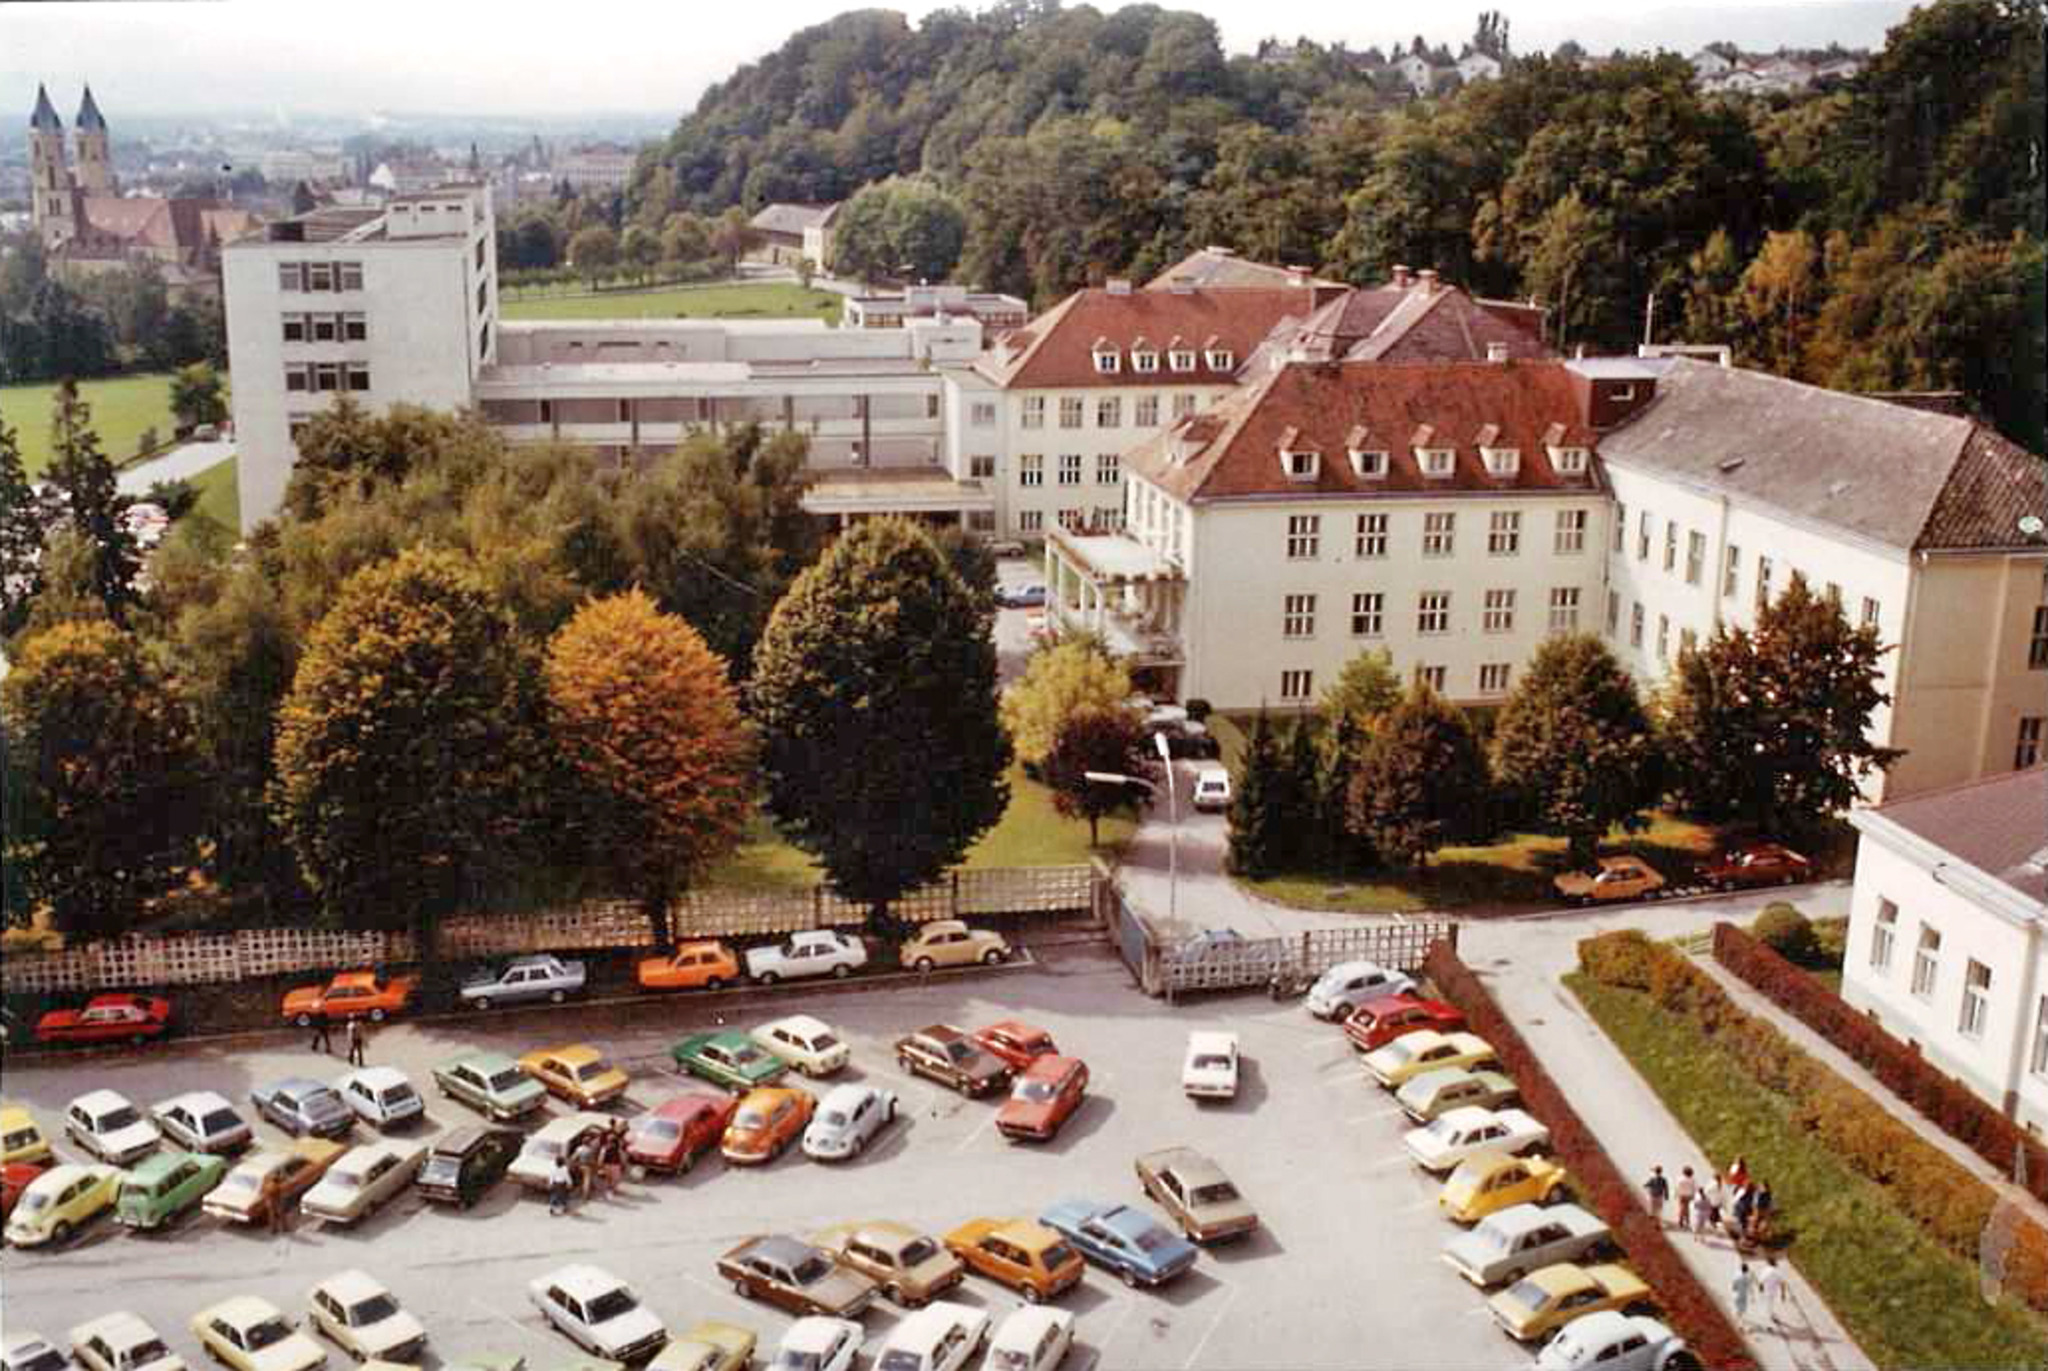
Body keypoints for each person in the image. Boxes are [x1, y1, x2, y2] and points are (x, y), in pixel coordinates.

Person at [1759, 1256, 1787, 1324]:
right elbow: (1782, 1283)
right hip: (1773, 1291)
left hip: (1766, 1290)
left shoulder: (1766, 1270)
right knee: (1770, 1304)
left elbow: (1761, 1281)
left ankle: (1770, 1315)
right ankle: (1771, 1317)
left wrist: (1761, 1289)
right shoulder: (1777, 1272)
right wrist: (1783, 1294)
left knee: (1768, 1304)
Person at [1675, 1166, 1698, 1230]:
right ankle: (1687, 1221)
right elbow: (1696, 1188)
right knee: (1687, 1207)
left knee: (1681, 1207)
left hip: (1682, 1195)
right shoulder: (1693, 1179)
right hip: (1689, 1195)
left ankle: (1680, 1221)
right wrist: (1694, 1194)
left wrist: (1676, 1194)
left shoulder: (1680, 1179)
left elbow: (1677, 1187)